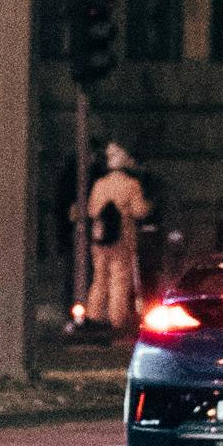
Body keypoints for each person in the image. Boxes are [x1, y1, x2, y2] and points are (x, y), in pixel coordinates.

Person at [83, 137, 150, 335]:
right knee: (119, 280)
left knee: (99, 278)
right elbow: (139, 211)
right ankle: (116, 318)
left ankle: (94, 315)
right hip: (123, 239)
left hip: (100, 239)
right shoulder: (132, 184)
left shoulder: (100, 185)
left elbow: (91, 211)